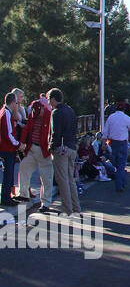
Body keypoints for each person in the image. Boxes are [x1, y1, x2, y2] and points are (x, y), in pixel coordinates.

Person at [18, 95, 55, 212]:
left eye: (38, 112)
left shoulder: (50, 116)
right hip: (32, 148)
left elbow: (54, 133)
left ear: (43, 109)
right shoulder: (33, 116)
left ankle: (46, 203)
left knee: (46, 177)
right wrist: (23, 143)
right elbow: (27, 129)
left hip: (44, 151)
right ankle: (23, 194)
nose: (36, 115)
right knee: (24, 168)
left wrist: (51, 148)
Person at [47, 88, 82, 216]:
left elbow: (55, 134)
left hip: (61, 149)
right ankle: (76, 207)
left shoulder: (56, 113)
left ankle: (68, 209)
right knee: (71, 179)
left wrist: (50, 147)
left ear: (53, 99)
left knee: (62, 180)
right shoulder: (70, 110)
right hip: (71, 147)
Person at [103, 102, 130, 193]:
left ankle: (121, 182)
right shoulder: (126, 118)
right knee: (121, 164)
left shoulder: (111, 117)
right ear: (123, 109)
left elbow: (105, 130)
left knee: (116, 163)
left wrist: (103, 142)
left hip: (113, 143)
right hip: (122, 142)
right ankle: (120, 184)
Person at [1, 91, 22, 205]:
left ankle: (6, 196)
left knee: (8, 173)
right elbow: (8, 134)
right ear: (13, 102)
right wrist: (18, 144)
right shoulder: (7, 114)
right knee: (8, 174)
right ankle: (5, 198)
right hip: (7, 149)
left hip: (6, 147)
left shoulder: (3, 111)